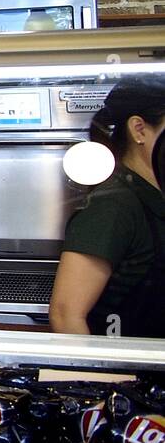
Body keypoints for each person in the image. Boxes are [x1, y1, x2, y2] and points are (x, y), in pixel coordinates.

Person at [49, 78, 165, 338]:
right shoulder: (114, 205)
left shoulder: (153, 195)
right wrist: (100, 377)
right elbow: (66, 315)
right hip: (131, 373)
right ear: (139, 130)